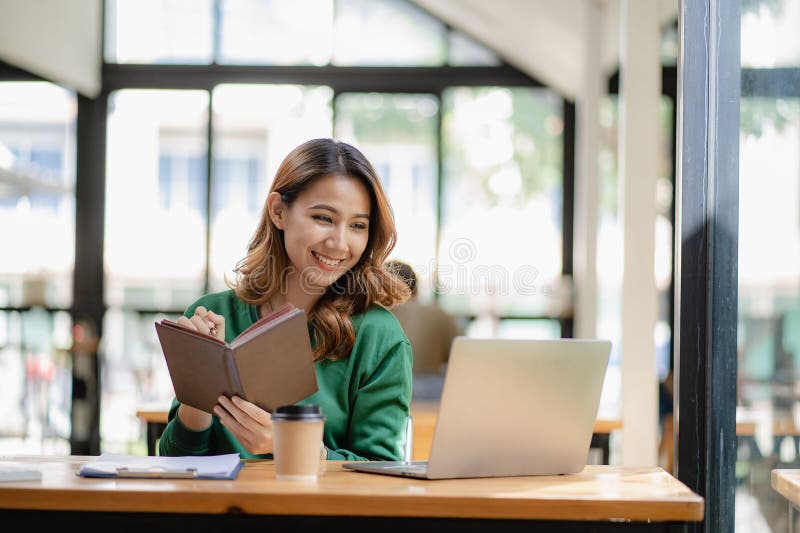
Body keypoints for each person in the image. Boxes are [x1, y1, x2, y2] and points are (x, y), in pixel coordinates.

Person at [158, 138, 413, 462]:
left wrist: (292, 445)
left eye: (358, 225)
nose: (339, 242)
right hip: (220, 511)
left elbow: (383, 474)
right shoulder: (211, 315)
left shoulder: (378, 335)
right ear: (279, 211)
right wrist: (199, 391)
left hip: (318, 513)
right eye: (324, 218)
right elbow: (174, 462)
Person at [384, 259, 462, 376]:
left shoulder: (367, 315)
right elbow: (459, 354)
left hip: (383, 386)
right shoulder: (437, 313)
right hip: (426, 385)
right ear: (416, 290)